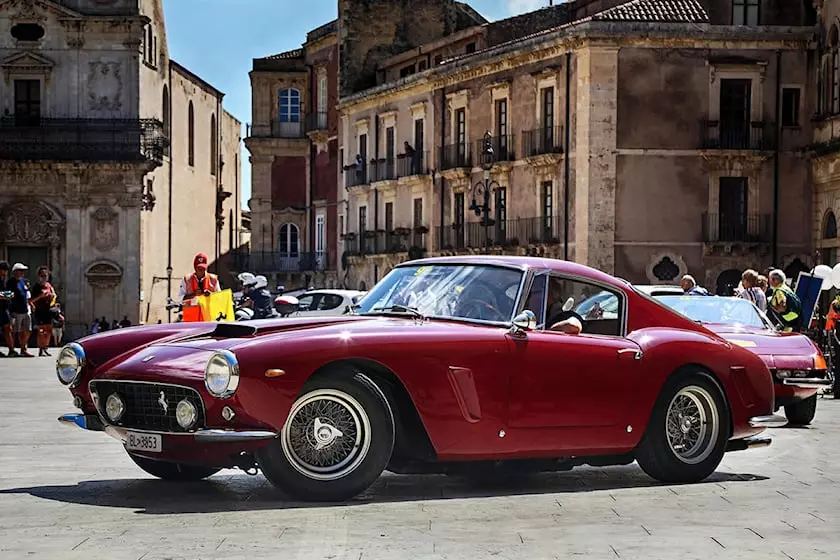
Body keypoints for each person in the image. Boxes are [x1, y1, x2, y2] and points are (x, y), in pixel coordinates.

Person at [6, 263, 33, 357]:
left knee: (27, 330)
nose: (22, 273)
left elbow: (26, 294)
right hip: (16, 311)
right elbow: (7, 295)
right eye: (20, 271)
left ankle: (23, 349)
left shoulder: (22, 281)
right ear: (15, 272)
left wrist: (30, 304)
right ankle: (12, 349)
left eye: (23, 271)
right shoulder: (10, 282)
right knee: (15, 331)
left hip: (25, 310)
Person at [29, 266, 56, 357]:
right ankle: (41, 349)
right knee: (41, 330)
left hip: (48, 310)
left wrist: (52, 295)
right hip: (40, 311)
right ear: (39, 276)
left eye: (46, 276)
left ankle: (45, 347)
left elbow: (54, 295)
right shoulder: (36, 287)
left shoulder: (49, 286)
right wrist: (41, 296)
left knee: (48, 330)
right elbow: (31, 300)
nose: (44, 277)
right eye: (42, 275)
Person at [0, 261, 14, 357]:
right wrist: (7, 295)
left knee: (8, 329)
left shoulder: (3, 280)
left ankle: (11, 349)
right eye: (4, 270)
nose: (6, 272)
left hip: (4, 308)